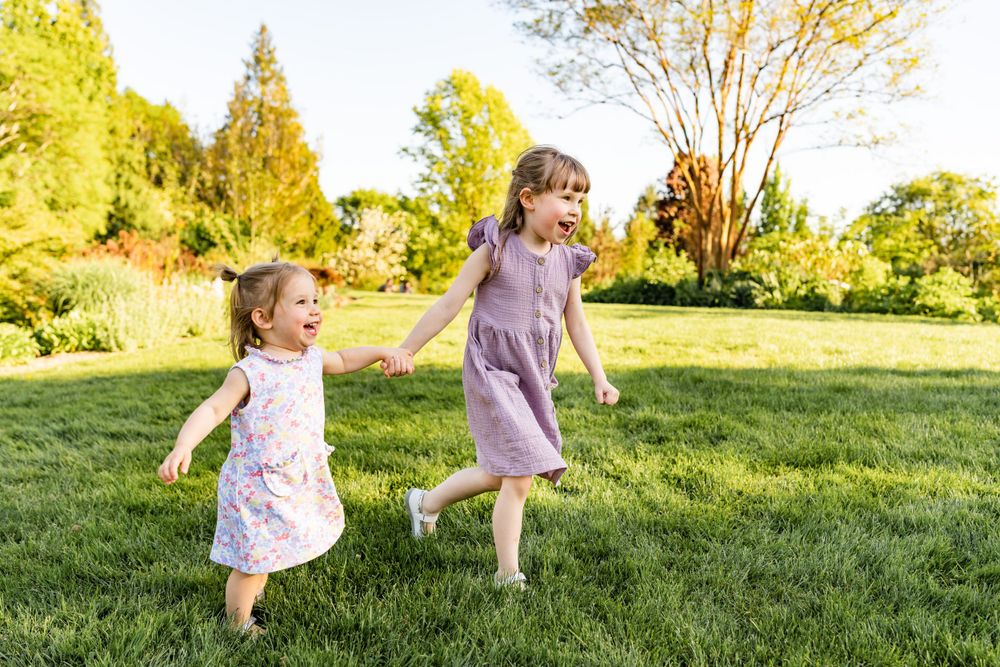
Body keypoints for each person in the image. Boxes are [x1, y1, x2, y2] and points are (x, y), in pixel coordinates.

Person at [384, 145, 620, 590]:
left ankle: (426, 503)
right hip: (492, 372)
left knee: (501, 471)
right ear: (528, 199)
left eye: (580, 201)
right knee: (519, 475)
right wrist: (408, 349)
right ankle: (508, 573)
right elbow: (449, 303)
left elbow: (576, 323)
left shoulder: (568, 262)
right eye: (565, 198)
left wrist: (599, 375)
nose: (575, 210)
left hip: (532, 375)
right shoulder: (495, 249)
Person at [157, 260, 413, 635]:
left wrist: (381, 352)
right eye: (301, 303)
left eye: (314, 300)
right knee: (251, 561)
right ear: (262, 317)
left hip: (290, 474)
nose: (314, 309)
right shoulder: (251, 371)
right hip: (256, 485)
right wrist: (184, 445)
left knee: (266, 552)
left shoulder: (309, 358)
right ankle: (238, 623)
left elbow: (343, 359)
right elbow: (212, 408)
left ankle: (252, 590)